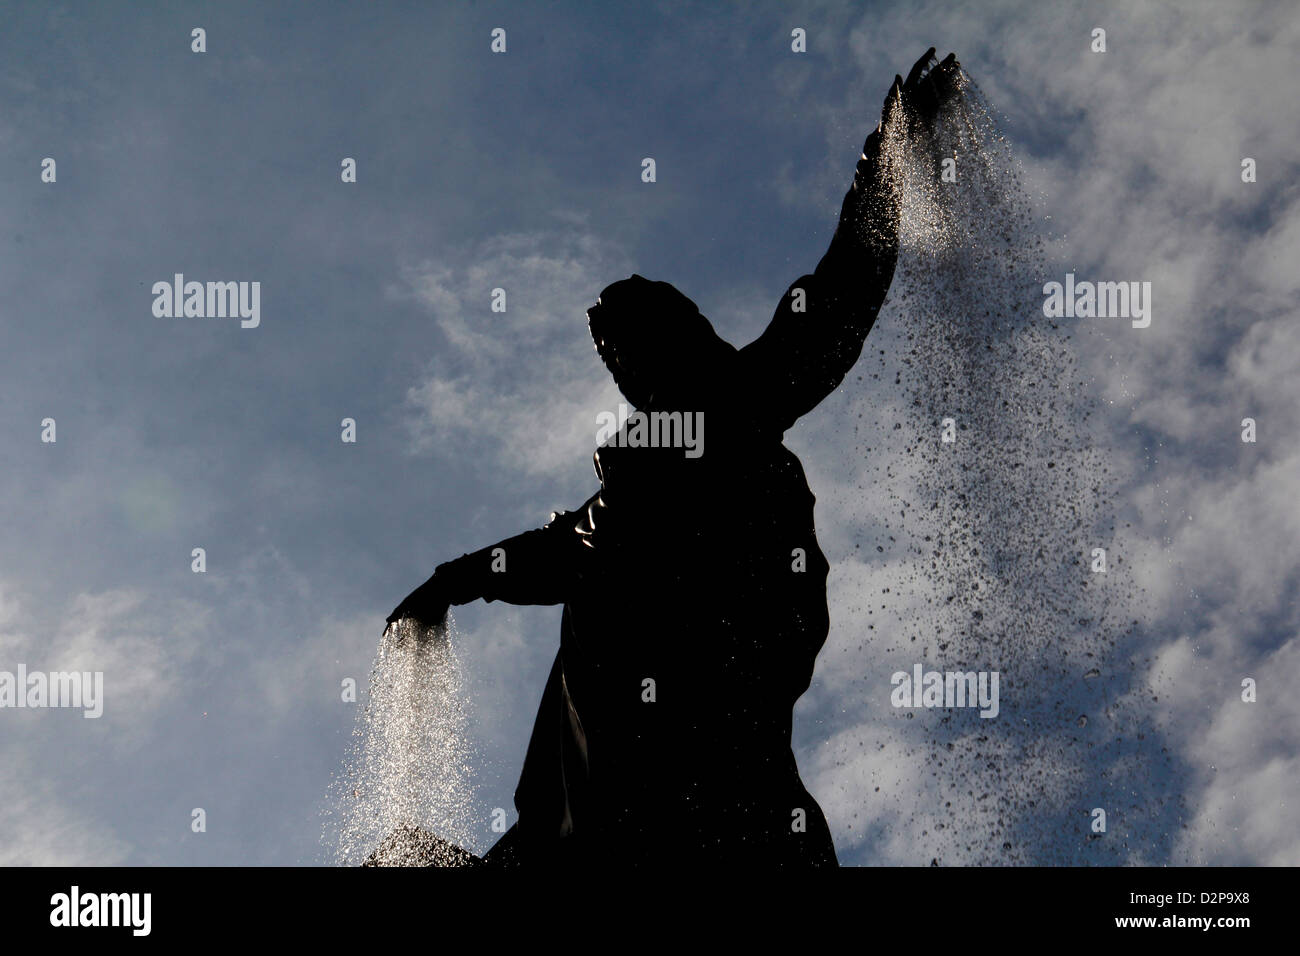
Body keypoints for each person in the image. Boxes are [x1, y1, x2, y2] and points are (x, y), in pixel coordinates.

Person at [387, 48, 961, 867]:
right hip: (629, 725)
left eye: (637, 347)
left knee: (684, 796)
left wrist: (889, 161)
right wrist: (459, 577)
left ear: (683, 337)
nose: (626, 372)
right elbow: (563, 548)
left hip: (710, 691)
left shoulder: (737, 407)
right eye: (618, 359)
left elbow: (842, 294)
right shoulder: (628, 490)